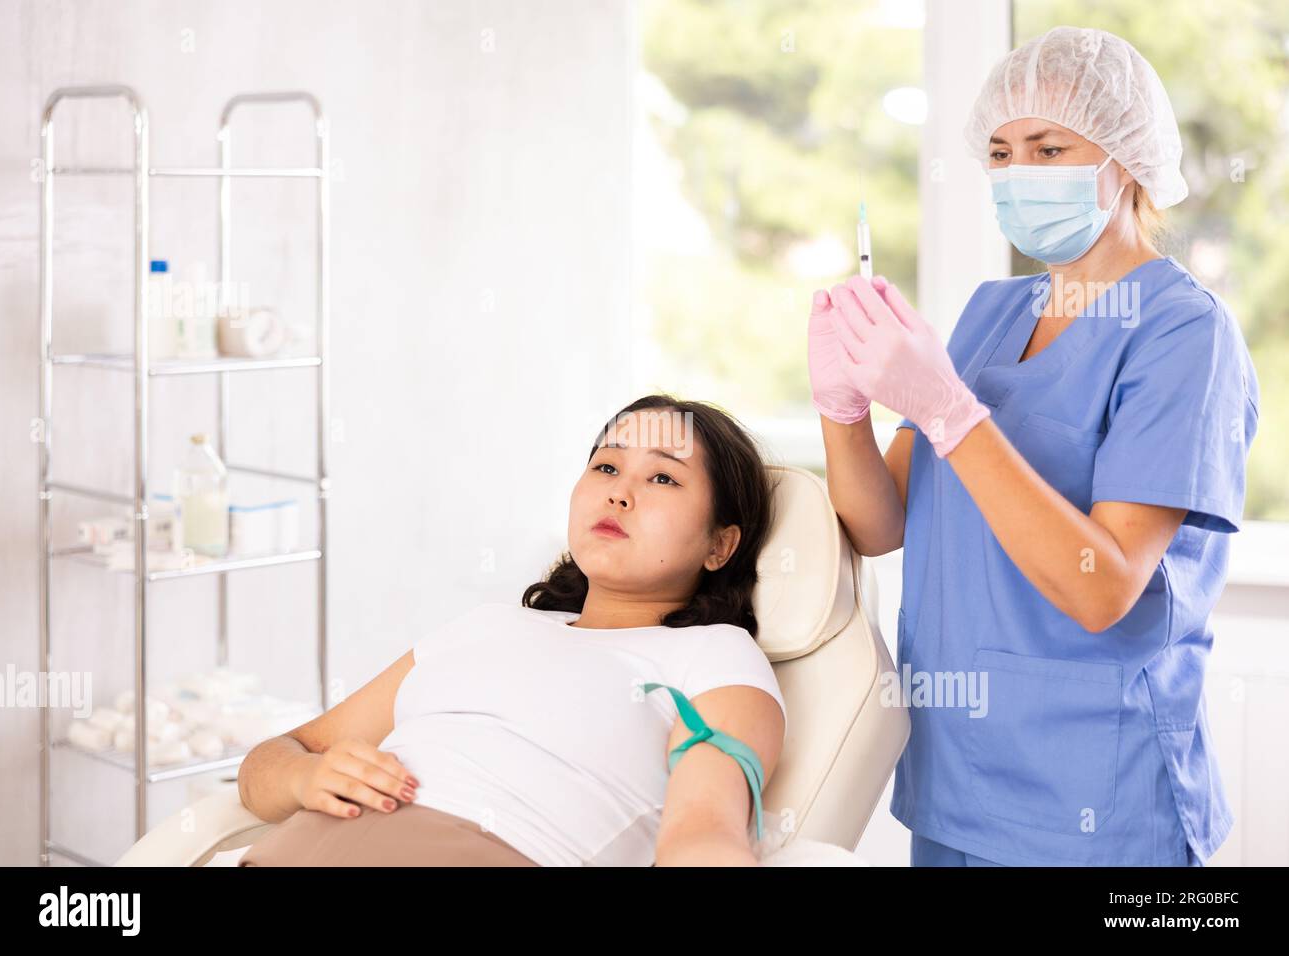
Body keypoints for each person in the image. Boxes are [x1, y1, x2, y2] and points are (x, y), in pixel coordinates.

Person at [808, 25, 1259, 866]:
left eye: (1050, 147)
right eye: (1002, 153)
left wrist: (952, 414)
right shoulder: (991, 314)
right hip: (956, 786)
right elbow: (882, 525)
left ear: (1123, 158)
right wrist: (842, 409)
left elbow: (1105, 588)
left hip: (1101, 800)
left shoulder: (1181, 335)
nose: (1018, 175)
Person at [236, 395, 787, 866]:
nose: (619, 494)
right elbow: (277, 756)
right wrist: (302, 779)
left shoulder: (712, 654)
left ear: (721, 545)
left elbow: (702, 835)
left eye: (663, 477)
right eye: (606, 467)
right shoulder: (487, 627)